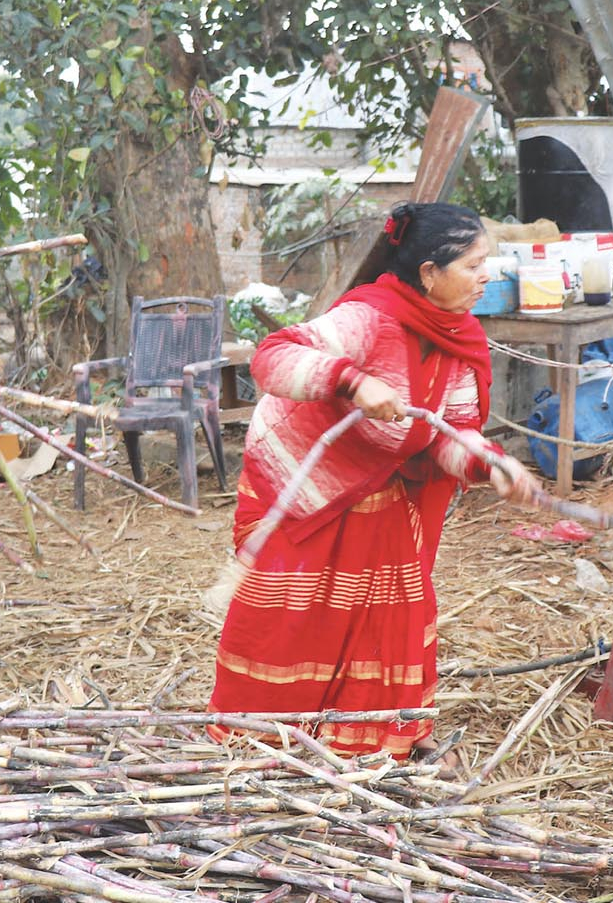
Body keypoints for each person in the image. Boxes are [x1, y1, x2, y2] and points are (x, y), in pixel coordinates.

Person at [207, 202, 540, 764]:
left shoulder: (461, 336)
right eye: (474, 265)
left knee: (396, 603)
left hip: (379, 479)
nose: (489, 276)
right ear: (429, 273)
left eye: (490, 263)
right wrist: (352, 380)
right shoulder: (369, 317)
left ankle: (375, 739)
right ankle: (262, 739)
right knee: (290, 613)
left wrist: (490, 465)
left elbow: (448, 434)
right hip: (307, 479)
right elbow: (272, 356)